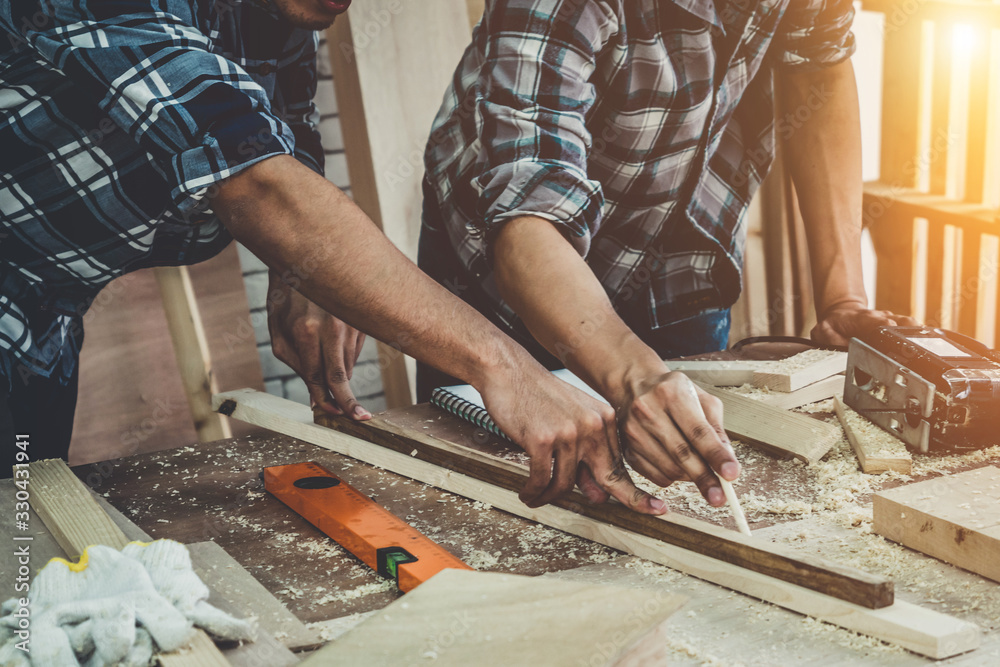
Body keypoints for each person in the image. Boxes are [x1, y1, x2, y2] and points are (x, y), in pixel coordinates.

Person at [0, 0, 740, 513]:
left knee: (21, 542)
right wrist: (505, 364)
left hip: (45, 322)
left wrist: (302, 270)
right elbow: (259, 182)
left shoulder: (276, 14)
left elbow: (283, 139)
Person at [418, 0, 916, 507]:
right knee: (491, 500)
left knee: (692, 471)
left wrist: (843, 299)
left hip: (678, 257)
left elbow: (818, 63)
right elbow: (528, 214)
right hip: (508, 271)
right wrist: (634, 372)